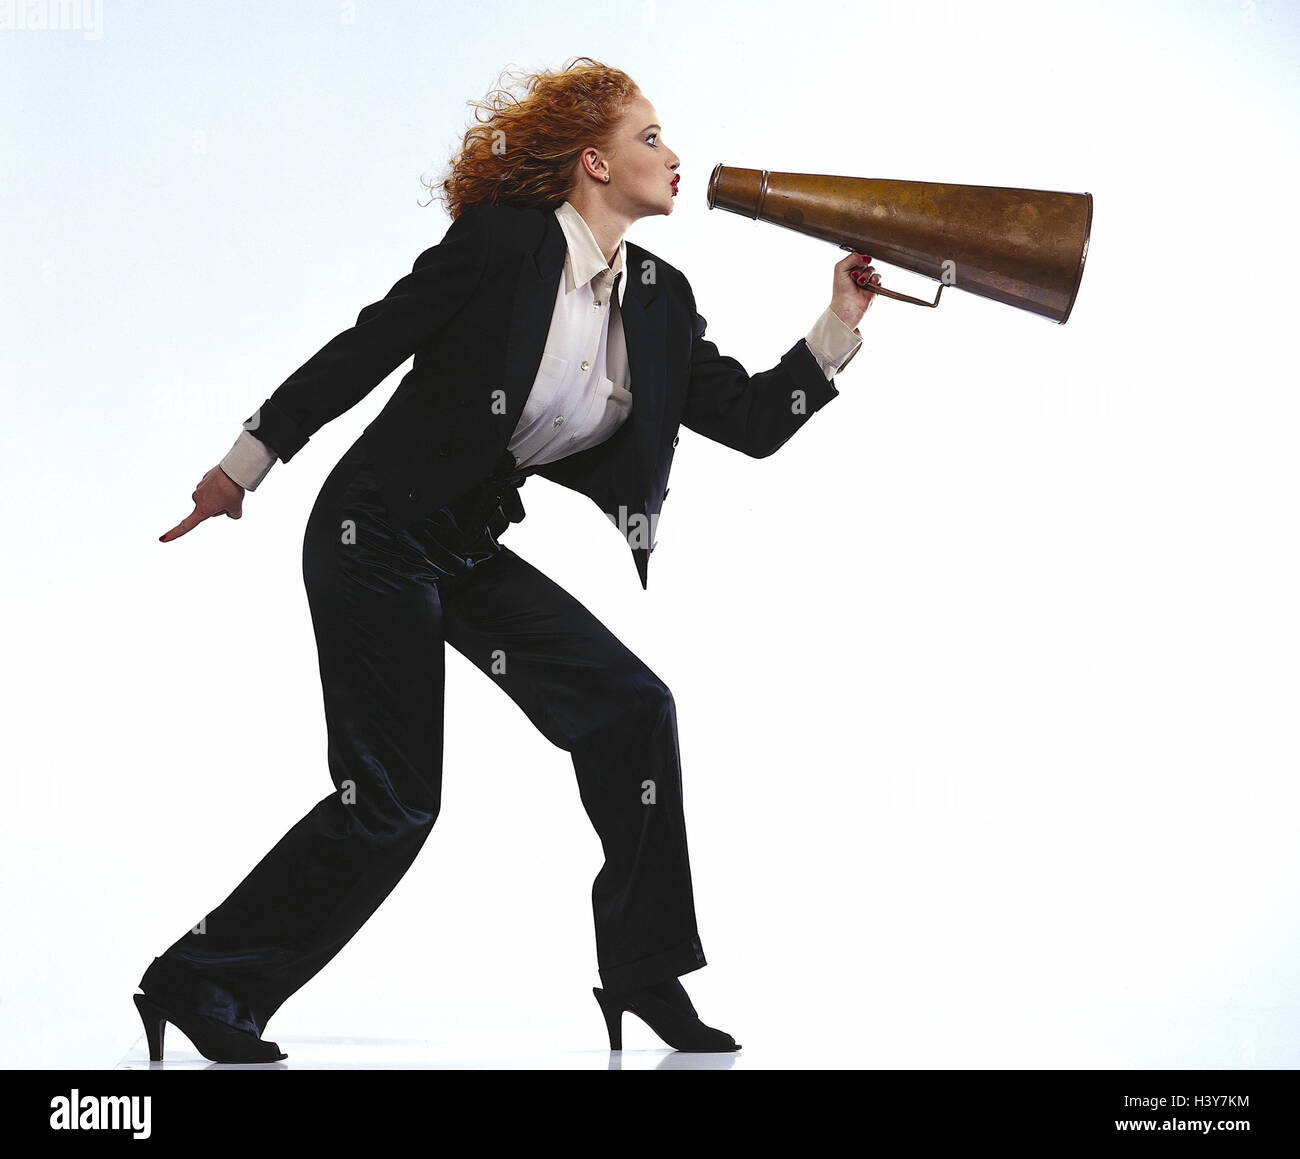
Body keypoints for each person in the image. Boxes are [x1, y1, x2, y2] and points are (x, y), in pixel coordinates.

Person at [135, 56, 882, 1063]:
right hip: (373, 533)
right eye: (649, 137)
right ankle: (199, 981)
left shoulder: (659, 298)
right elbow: (368, 345)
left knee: (630, 709)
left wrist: (838, 322)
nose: (673, 155)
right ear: (592, 162)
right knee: (394, 800)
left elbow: (751, 420)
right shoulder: (501, 247)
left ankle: (643, 973)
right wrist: (244, 465)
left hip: (462, 545)